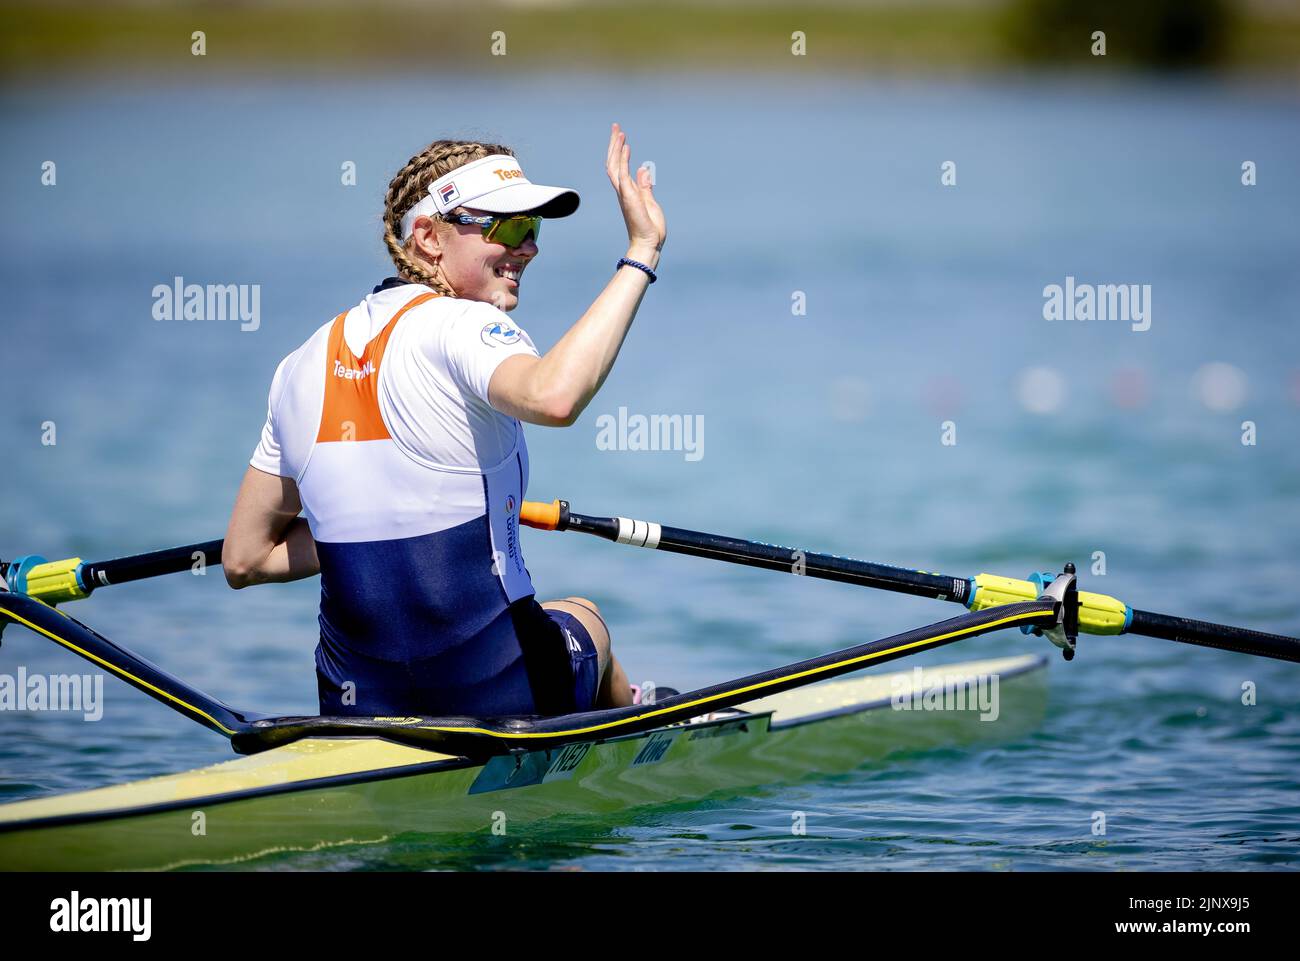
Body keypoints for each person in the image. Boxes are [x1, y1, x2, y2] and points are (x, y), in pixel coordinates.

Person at [222, 123, 666, 719]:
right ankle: (639, 732)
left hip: (356, 704)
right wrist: (641, 252)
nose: (529, 246)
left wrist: (362, 527)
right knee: (587, 617)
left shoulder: (301, 362)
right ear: (429, 238)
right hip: (497, 692)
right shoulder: (465, 323)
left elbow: (245, 558)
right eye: (508, 227)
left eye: (532, 228)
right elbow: (556, 397)